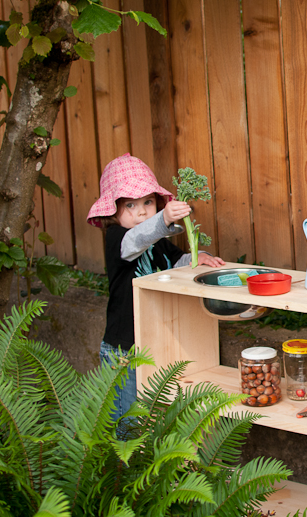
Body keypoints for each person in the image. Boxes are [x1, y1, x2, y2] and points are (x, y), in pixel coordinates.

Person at [87, 154, 225, 430]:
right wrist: (162, 219)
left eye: (148, 202)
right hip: (124, 349)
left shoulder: (158, 242)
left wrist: (198, 258)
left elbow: (176, 260)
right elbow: (135, 240)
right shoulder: (118, 239)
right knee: (128, 420)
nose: (141, 212)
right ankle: (124, 470)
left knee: (156, 415)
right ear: (112, 211)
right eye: (130, 205)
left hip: (156, 342)